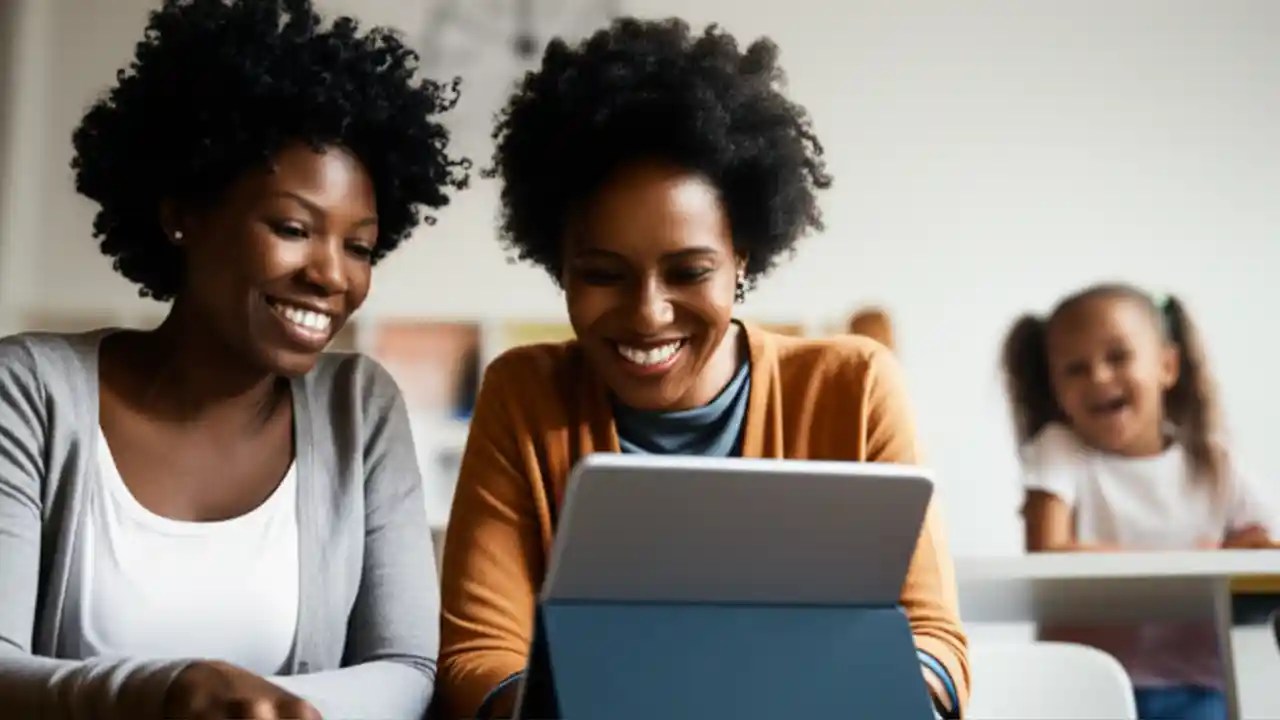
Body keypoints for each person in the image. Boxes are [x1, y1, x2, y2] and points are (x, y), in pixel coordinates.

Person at [438, 17, 968, 720]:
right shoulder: (523, 396)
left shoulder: (856, 385)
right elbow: (477, 660)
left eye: (689, 272)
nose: (649, 314)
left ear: (742, 256)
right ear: (557, 264)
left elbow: (936, 644)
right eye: (602, 275)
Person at [0, 1, 469, 718]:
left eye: (359, 247)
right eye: (292, 227)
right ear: (182, 212)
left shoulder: (360, 409)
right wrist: (169, 693)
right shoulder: (30, 392)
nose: (332, 276)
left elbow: (405, 669)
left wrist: (255, 710)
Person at [1002, 282, 1277, 720]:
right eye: (1074, 368)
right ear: (1054, 388)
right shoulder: (1061, 450)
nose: (1098, 377)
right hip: (1083, 689)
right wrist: (1194, 559)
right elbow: (1047, 548)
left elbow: (1261, 554)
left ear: (1167, 366)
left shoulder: (1214, 462)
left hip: (1199, 688)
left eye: (1118, 357)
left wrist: (1232, 552)